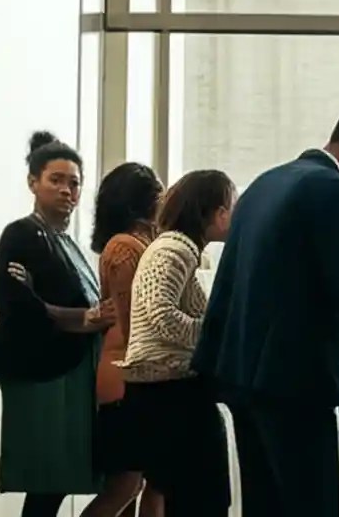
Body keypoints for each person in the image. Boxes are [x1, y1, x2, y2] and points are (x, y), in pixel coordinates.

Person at [193, 106, 339, 516]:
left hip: (240, 373)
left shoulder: (263, 184)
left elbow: (230, 279)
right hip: (293, 379)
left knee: (264, 504)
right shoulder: (334, 190)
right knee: (316, 504)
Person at [0, 132, 116, 517]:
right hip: (45, 374)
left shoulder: (66, 243)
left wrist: (78, 315)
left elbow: (87, 308)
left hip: (74, 371)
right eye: (56, 179)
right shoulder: (22, 234)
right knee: (47, 480)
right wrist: (81, 318)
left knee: (60, 480)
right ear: (33, 182)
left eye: (74, 182)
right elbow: (16, 304)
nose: (67, 190)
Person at [120, 169, 237, 516]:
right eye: (232, 206)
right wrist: (214, 334)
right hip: (169, 392)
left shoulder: (180, 249)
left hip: (170, 392)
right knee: (202, 496)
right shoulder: (174, 249)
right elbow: (161, 314)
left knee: (194, 495)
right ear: (215, 212)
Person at [84, 162, 165, 517]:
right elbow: (135, 319)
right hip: (124, 377)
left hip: (133, 374)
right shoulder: (124, 247)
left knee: (146, 483)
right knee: (125, 486)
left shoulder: (141, 243)